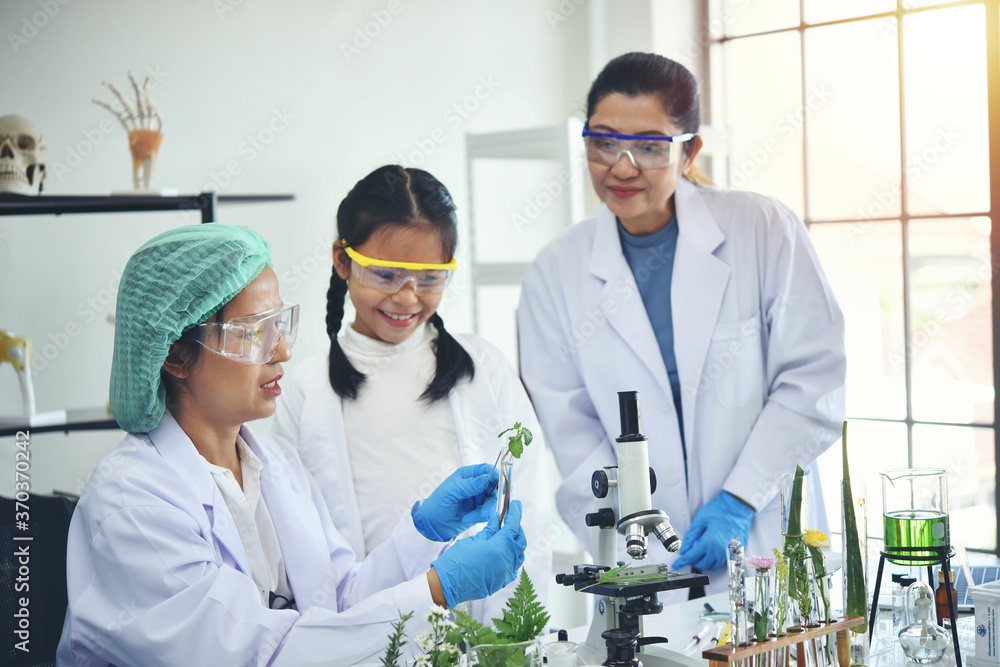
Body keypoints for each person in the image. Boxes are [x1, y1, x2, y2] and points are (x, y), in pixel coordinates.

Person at [57, 224, 526, 666]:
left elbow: (340, 606)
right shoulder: (131, 505)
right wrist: (436, 591)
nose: (282, 350)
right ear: (177, 354)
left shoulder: (276, 464)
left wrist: (424, 534)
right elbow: (265, 655)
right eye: (255, 332)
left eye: (279, 324)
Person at [517, 52, 845, 599]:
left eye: (648, 146)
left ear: (689, 149)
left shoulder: (762, 231)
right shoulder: (555, 274)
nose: (622, 167)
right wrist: (641, 552)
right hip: (643, 569)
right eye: (603, 142)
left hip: (764, 541)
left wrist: (739, 500)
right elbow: (574, 439)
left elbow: (814, 384)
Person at [273, 165, 552, 623]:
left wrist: (511, 639)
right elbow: (305, 554)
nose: (407, 297)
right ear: (343, 261)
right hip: (370, 637)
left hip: (482, 637)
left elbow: (532, 514)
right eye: (386, 275)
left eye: (429, 278)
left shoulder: (484, 367)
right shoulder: (305, 390)